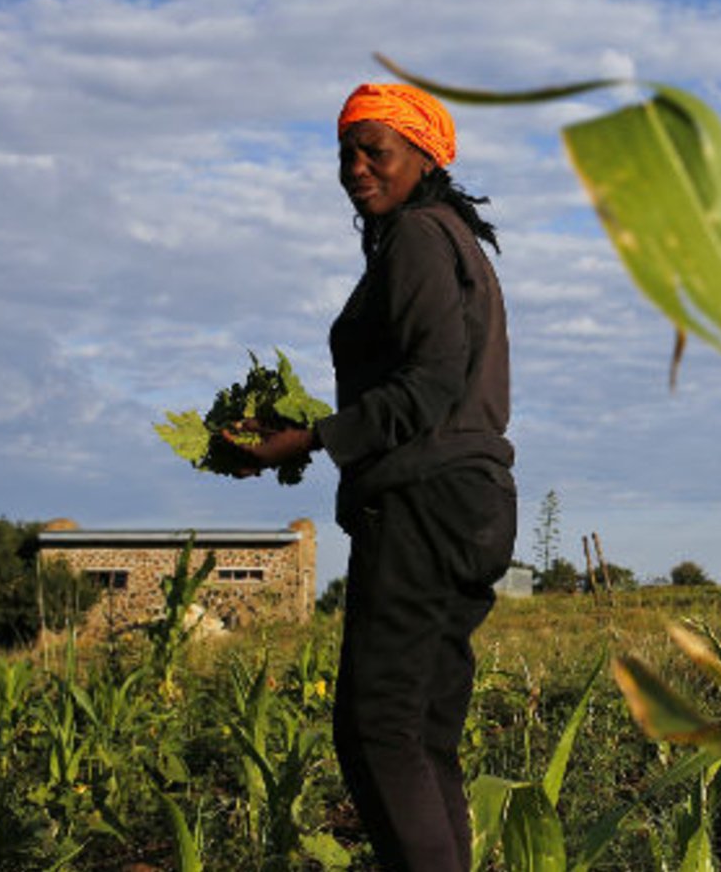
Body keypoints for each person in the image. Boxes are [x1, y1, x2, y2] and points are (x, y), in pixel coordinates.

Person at [231, 82, 515, 871]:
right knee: (423, 734)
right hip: (469, 503)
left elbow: (427, 385)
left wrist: (308, 439)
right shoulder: (446, 239)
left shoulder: (423, 237)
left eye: (374, 149)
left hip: (426, 504)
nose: (357, 166)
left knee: (379, 730)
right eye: (346, 152)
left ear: (426, 154)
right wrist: (311, 431)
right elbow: (431, 381)